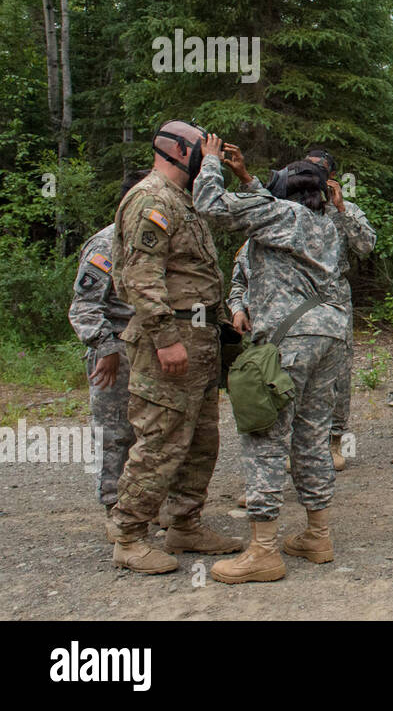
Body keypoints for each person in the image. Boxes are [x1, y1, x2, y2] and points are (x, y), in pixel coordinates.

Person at [195, 146, 353, 583]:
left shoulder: (281, 215)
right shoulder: (326, 222)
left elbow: (210, 204)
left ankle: (263, 550)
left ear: (284, 192)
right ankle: (317, 536)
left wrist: (210, 160)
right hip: (330, 336)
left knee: (265, 435)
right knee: (313, 435)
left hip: (290, 342)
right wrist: (247, 178)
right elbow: (265, 200)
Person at [107, 121, 242, 575]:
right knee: (161, 438)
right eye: (204, 150)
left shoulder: (185, 201)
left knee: (201, 439)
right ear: (179, 151)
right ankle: (128, 534)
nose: (210, 157)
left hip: (200, 336)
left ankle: (184, 522)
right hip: (170, 338)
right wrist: (165, 338)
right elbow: (141, 277)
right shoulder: (152, 199)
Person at [68, 169, 149, 540]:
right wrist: (106, 345)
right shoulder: (105, 245)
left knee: (147, 429)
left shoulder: (145, 241)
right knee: (114, 432)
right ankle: (114, 507)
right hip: (115, 350)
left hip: (148, 348)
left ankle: (143, 503)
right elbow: (85, 306)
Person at [305, 148, 375, 470]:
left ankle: (338, 440)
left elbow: (366, 247)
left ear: (332, 175)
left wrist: (342, 208)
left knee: (340, 369)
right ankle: (304, 441)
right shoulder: (293, 208)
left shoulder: (345, 208)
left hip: (335, 295)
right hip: (300, 296)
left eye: (321, 171)